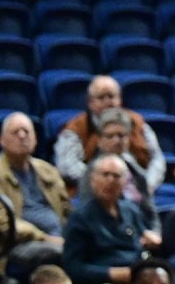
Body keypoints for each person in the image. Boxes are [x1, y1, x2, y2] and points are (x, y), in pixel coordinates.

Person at [0, 112, 72, 280]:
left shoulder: (48, 170)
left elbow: (67, 210)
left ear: (35, 139)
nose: (22, 136)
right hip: (16, 244)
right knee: (61, 253)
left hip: (58, 238)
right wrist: (44, 238)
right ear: (1, 140)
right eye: (15, 132)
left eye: (27, 131)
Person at [54, 79, 165, 194]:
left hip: (138, 185)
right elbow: (67, 167)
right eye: (101, 97)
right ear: (90, 102)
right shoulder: (74, 128)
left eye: (112, 97)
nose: (108, 102)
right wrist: (103, 181)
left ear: (120, 99)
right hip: (91, 190)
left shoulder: (138, 123)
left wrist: (147, 184)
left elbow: (157, 159)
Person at [62, 155, 160, 284]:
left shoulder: (130, 210)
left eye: (116, 176)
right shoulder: (80, 217)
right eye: (105, 175)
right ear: (92, 179)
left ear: (125, 182)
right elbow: (73, 268)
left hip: (138, 273)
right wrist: (114, 274)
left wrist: (151, 240)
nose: (110, 181)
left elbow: (142, 243)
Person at [83, 113, 155, 214]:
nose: (116, 141)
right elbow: (88, 214)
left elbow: (151, 213)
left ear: (128, 139)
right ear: (99, 140)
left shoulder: (136, 171)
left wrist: (154, 230)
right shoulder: (92, 173)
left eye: (121, 136)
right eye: (110, 136)